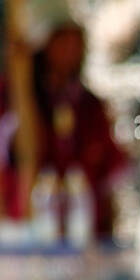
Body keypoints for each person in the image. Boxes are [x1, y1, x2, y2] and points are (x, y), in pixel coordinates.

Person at [0, 0, 128, 238]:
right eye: (61, 39)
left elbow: (108, 175)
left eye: (74, 39)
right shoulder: (9, 98)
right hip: (24, 233)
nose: (70, 48)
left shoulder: (90, 106)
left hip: (83, 233)